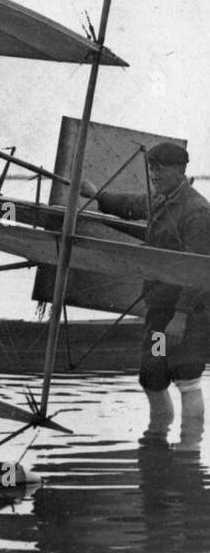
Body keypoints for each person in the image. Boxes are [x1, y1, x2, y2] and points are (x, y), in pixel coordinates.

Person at [81, 141, 209, 454]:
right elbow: (130, 204)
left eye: (161, 168)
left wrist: (180, 315)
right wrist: (97, 195)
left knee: (186, 376)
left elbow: (200, 270)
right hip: (159, 310)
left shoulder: (196, 211)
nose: (154, 173)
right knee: (152, 374)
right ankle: (157, 438)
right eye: (152, 167)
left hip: (187, 313)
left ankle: (190, 452)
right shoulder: (161, 200)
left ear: (180, 170)